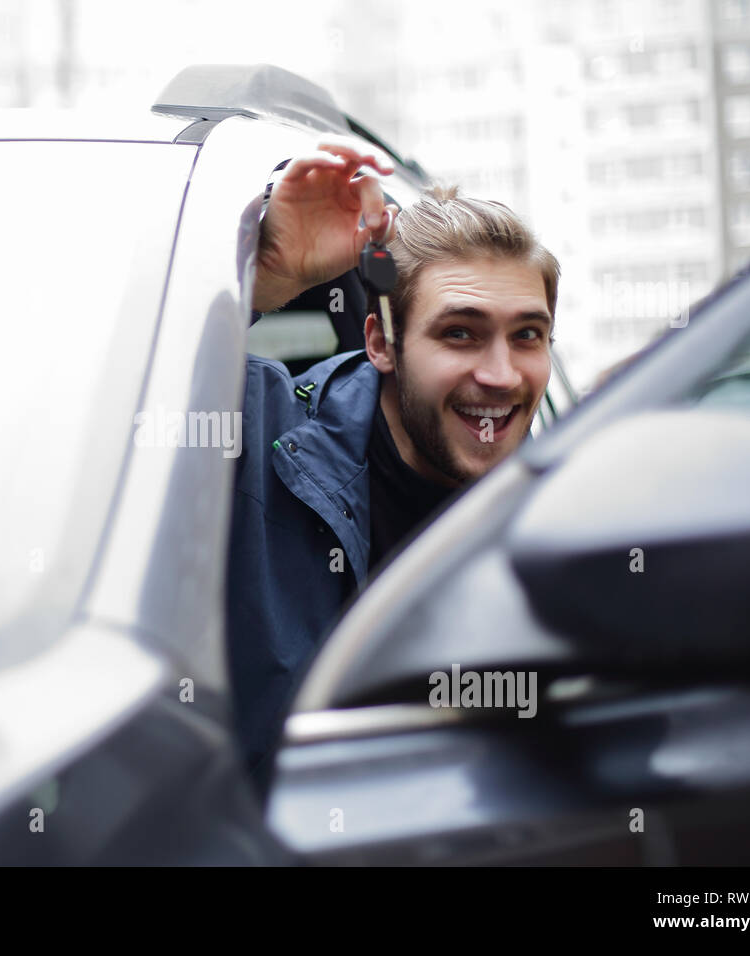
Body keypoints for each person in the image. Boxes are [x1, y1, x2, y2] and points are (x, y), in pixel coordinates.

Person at [226, 138, 561, 782]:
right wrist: (260, 275)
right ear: (381, 342)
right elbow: (83, 405)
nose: (500, 375)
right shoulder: (255, 440)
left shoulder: (561, 517)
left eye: (527, 336)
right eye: (459, 332)